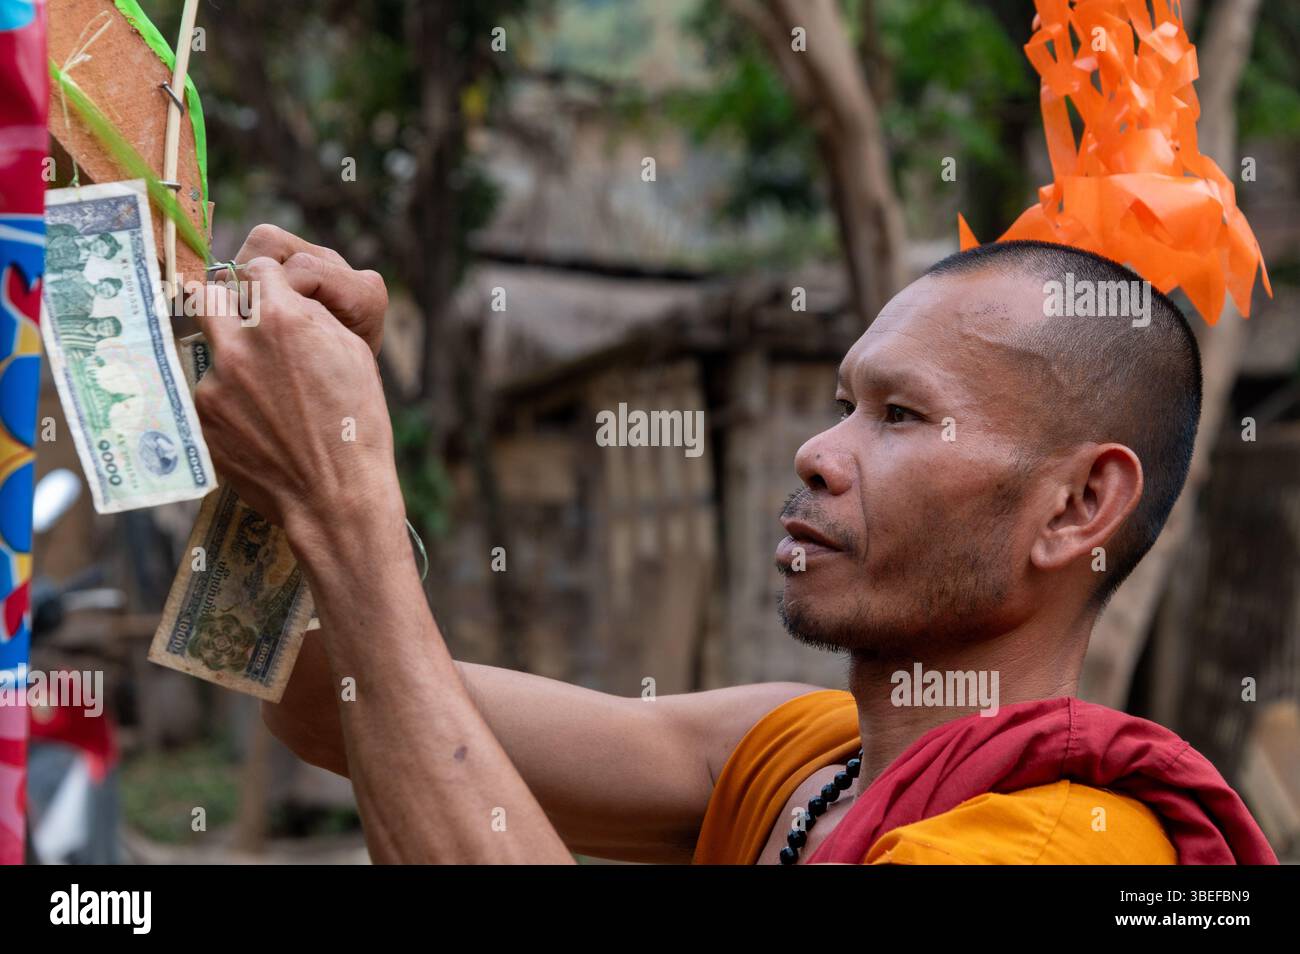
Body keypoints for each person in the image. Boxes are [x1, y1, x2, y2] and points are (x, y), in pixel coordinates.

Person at [192, 224, 1276, 864]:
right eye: (842, 404)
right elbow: (324, 691)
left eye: (899, 417)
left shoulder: (1059, 844)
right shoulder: (801, 755)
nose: (815, 451)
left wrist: (349, 504)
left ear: (1078, 507)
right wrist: (287, 464)